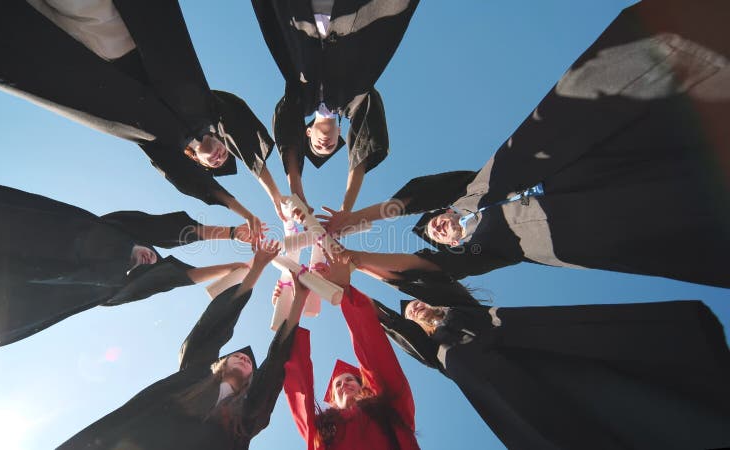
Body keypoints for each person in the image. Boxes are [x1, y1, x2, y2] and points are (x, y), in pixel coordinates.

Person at [322, 0, 730, 288]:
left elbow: (406, 203)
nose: (440, 228)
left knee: (650, 86)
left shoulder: (468, 189)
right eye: (440, 236)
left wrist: (353, 217)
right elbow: (426, 267)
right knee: (686, 202)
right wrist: (357, 261)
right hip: (593, 221)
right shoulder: (487, 250)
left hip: (565, 146)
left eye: (436, 222)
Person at [0, 0, 283, 234]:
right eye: (225, 152)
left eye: (214, 164)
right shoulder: (206, 106)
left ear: (194, 161)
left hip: (84, 60)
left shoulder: (161, 142)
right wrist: (277, 197)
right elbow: (239, 126)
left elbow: (196, 185)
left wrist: (243, 217)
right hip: (116, 25)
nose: (220, 157)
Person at [0, 173, 257, 366]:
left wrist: (234, 265)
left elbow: (169, 277)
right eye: (152, 253)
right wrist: (228, 233)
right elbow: (167, 229)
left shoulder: (109, 288)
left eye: (152, 261)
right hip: (18, 233)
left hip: (8, 286)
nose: (150, 257)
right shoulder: (113, 228)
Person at [371, 277, 730, 449]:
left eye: (416, 301)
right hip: (543, 407)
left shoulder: (466, 309)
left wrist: (361, 263)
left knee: (669, 419)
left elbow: (422, 272)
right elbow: (391, 324)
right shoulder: (440, 354)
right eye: (411, 312)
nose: (414, 307)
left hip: (580, 371)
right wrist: (342, 286)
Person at [58, 240, 308, 449]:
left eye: (250, 364)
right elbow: (213, 325)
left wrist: (298, 300)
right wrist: (258, 268)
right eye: (239, 356)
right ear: (218, 362)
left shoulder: (247, 413)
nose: (245, 358)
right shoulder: (195, 374)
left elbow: (276, 364)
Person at [251, 0, 420, 215]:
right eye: (330, 148)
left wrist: (295, 189)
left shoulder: (300, 97)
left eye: (317, 147)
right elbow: (365, 141)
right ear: (340, 132)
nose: (324, 145)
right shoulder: (354, 99)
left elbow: (287, 126)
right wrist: (346, 208)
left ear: (308, 131)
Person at [283, 251, 420, 450]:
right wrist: (293, 307)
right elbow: (298, 389)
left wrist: (345, 292)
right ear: (333, 400)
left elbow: (375, 355)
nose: (344, 383)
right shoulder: (321, 431)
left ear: (364, 388)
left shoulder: (389, 407)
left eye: (349, 380)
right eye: (338, 384)